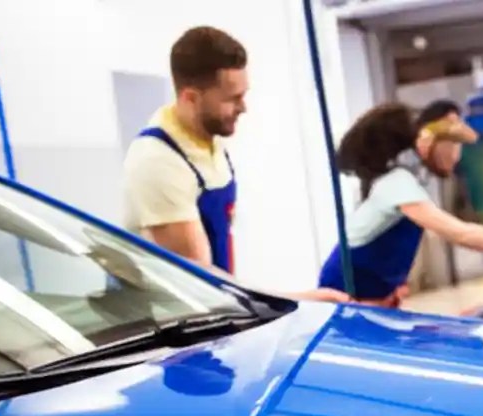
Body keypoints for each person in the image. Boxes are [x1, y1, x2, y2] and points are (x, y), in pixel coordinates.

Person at [122, 26, 346, 302]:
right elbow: (201, 286)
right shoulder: (159, 161)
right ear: (191, 98)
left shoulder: (209, 139)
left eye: (243, 95)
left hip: (214, 304)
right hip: (172, 315)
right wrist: (302, 300)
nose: (244, 108)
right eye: (233, 99)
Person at [318, 101, 483, 306]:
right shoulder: (397, 183)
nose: (456, 154)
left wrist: (393, 284)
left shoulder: (400, 182)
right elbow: (463, 234)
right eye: (451, 143)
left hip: (371, 298)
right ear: (427, 143)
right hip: (343, 299)